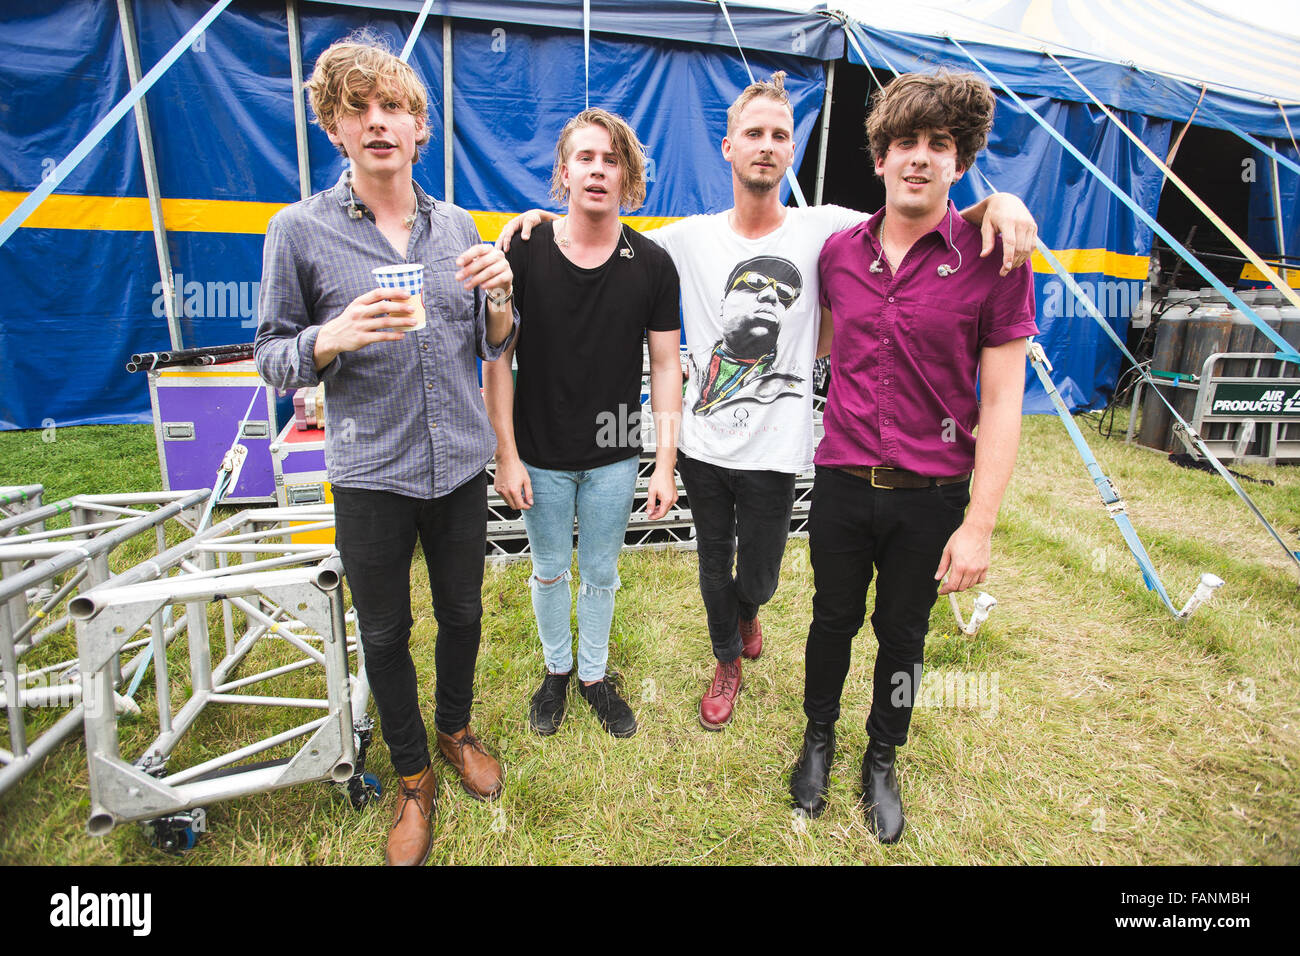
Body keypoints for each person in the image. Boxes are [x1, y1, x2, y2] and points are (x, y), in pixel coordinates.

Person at [497, 73, 1037, 732]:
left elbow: (916, 219)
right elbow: (606, 235)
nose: (765, 145)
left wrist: (997, 204)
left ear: (790, 151)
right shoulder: (686, 239)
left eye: (780, 135)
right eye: (753, 133)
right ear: (728, 147)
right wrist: (546, 221)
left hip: (779, 452)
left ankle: (747, 613)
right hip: (702, 446)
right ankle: (727, 659)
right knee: (708, 566)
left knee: (760, 575)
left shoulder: (828, 230)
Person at [254, 35, 517, 867]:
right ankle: (411, 778)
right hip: (370, 469)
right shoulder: (298, 230)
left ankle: (455, 729)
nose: (377, 122)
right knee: (386, 630)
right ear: (334, 126)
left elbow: (491, 339)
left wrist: (504, 297)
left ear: (417, 127)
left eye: (393, 107)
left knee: (465, 613)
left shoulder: (458, 227)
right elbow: (270, 356)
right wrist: (327, 339)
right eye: (357, 108)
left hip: (460, 463)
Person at [789, 70, 1038, 844]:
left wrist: (981, 525)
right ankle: (819, 738)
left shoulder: (995, 257)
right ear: (880, 158)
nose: (920, 158)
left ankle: (883, 756)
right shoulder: (836, 253)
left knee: (904, 635)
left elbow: (1002, 400)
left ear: (960, 162)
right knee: (832, 621)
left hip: (931, 496)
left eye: (939, 145)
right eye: (906, 143)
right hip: (840, 481)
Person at [482, 109, 681, 739]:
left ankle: (593, 675)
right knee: (547, 568)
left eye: (612, 159)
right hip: (537, 451)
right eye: (586, 157)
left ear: (628, 176)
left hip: (613, 453)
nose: (599, 170)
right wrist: (506, 454)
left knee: (599, 573)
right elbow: (497, 356)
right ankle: (556, 670)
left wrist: (665, 463)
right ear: (563, 172)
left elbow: (667, 365)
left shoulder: (651, 263)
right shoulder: (522, 246)